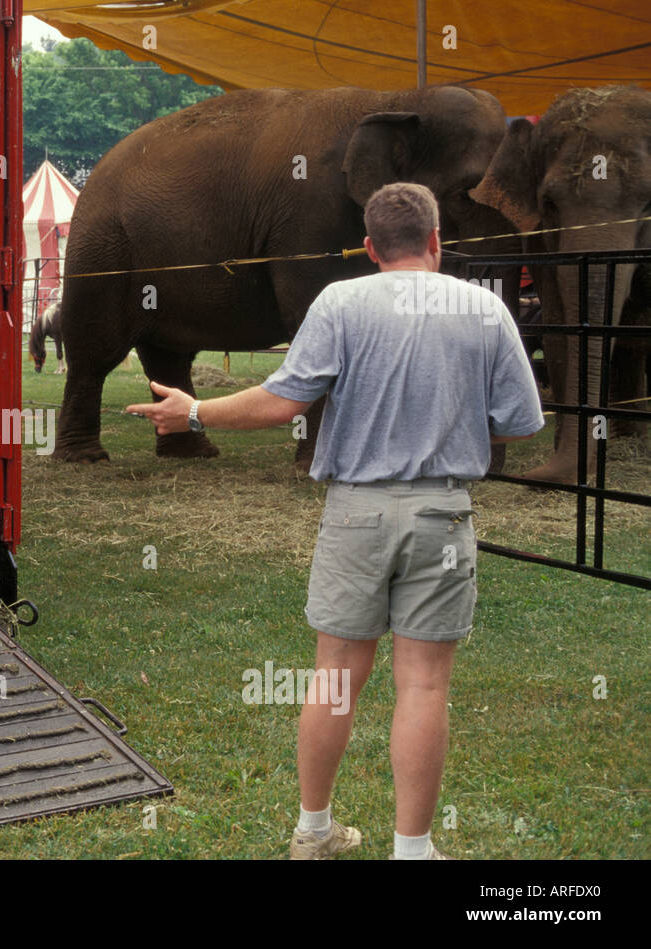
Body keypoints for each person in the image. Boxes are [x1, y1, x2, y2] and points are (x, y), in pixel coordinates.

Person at [126, 182, 545, 860]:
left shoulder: (339, 302)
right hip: (442, 513)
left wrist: (196, 411)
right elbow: (522, 426)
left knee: (333, 680)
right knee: (425, 683)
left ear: (371, 247)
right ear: (437, 241)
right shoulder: (485, 308)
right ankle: (413, 849)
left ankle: (314, 832)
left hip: (354, 513)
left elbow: (281, 402)